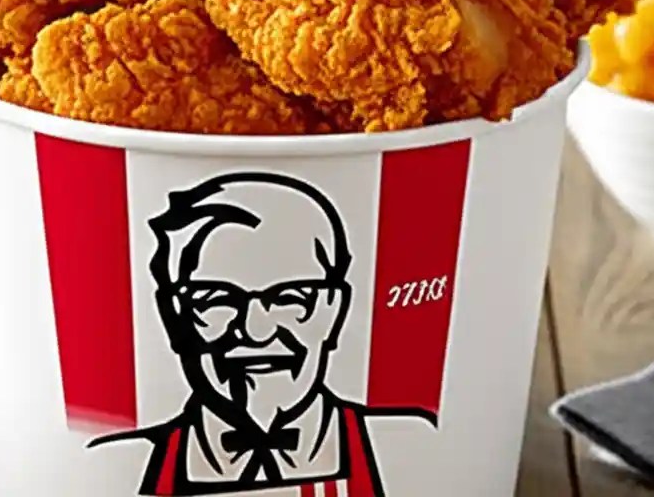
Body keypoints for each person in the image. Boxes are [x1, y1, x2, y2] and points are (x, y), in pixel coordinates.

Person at [91, 173, 433, 497]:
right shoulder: (121, 463)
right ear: (174, 316)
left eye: (291, 298)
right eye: (217, 300)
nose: (256, 331)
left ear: (334, 310)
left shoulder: (403, 443)